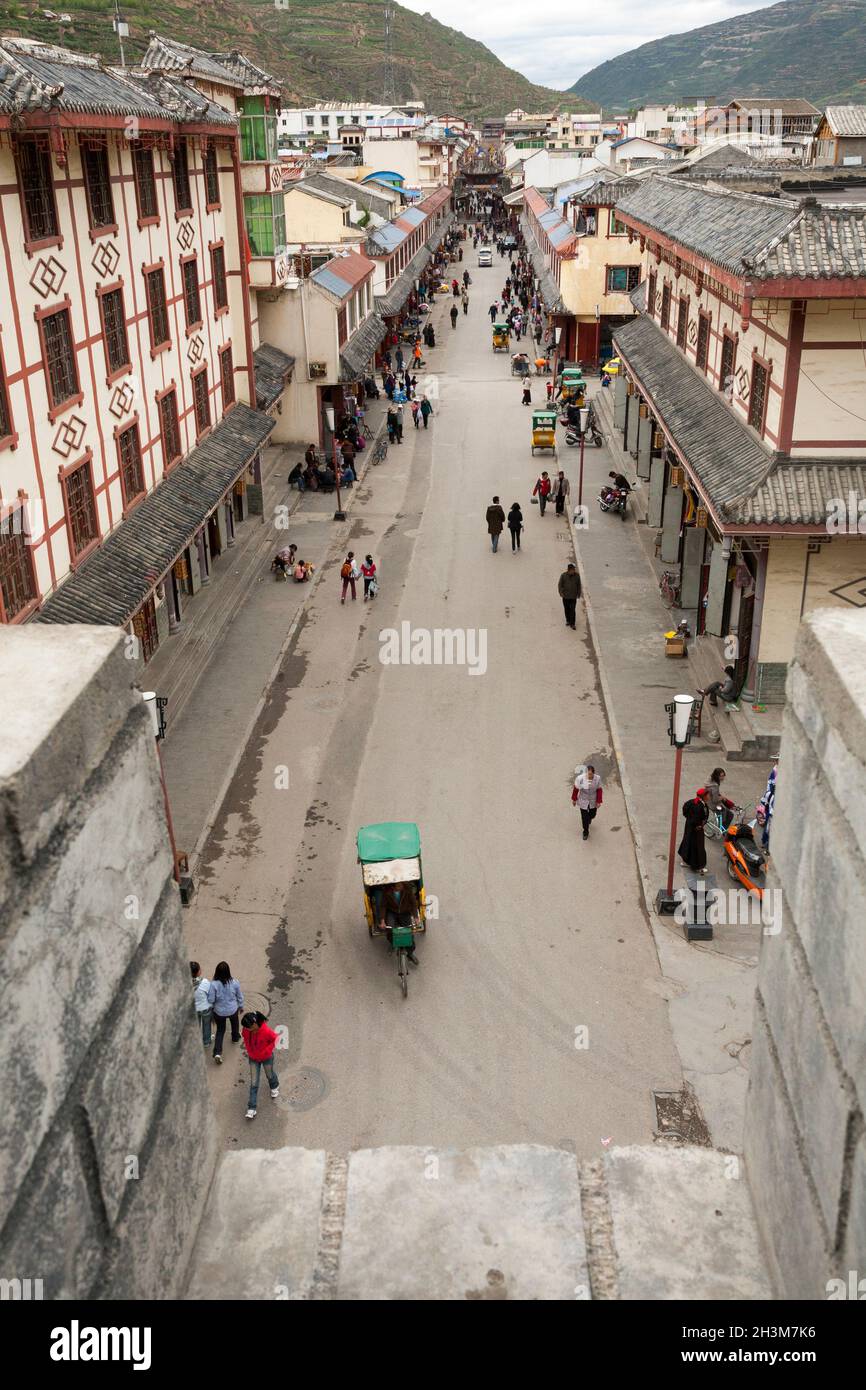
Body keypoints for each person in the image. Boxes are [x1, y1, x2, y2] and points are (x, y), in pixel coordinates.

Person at [241, 1011, 280, 1120]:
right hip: (253, 1059)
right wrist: (250, 1050)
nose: (246, 1030)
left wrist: (266, 1051)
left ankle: (274, 1086)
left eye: (248, 1028)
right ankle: (252, 1108)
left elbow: (274, 1039)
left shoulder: (266, 1031)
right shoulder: (246, 1030)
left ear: (254, 1024)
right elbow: (244, 1036)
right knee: (254, 1082)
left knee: (270, 1075)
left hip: (266, 1058)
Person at [374, 880, 420, 964]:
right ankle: (393, 943)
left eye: (401, 885)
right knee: (390, 930)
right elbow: (383, 906)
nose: (400, 887)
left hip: (405, 912)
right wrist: (382, 921)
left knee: (409, 932)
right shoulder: (386, 892)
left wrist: (416, 917)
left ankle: (410, 954)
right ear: (393, 887)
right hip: (392, 912)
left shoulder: (407, 888)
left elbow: (413, 903)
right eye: (398, 886)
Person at [207, 962, 244, 1062]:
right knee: (235, 1023)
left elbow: (210, 1000)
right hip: (232, 1010)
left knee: (220, 1031)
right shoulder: (235, 982)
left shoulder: (213, 984)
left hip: (219, 1012)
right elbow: (239, 996)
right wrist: (241, 1006)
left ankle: (217, 1053)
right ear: (228, 971)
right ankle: (235, 1037)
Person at [679, 789, 710, 874]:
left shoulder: (691, 802)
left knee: (688, 842)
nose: (709, 797)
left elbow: (685, 809)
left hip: (689, 827)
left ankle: (685, 861)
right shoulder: (699, 806)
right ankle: (697, 866)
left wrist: (689, 819)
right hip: (696, 829)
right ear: (703, 796)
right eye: (707, 795)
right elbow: (698, 817)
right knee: (698, 847)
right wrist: (698, 825)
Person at [571, 764, 603, 840]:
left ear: (593, 773)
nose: (589, 776)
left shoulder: (597, 779)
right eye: (588, 774)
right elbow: (576, 789)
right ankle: (585, 832)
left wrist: (598, 801)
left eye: (591, 774)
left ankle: (590, 818)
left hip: (593, 799)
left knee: (592, 814)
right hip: (583, 799)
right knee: (584, 818)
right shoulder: (580, 778)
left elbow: (599, 790)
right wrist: (574, 799)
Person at [190, 961, 212, 1048]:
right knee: (206, 1025)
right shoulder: (205, 982)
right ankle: (206, 1042)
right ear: (199, 971)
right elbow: (210, 994)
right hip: (205, 1008)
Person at [758, 758, 778, 851]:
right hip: (771, 802)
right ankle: (766, 843)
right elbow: (769, 786)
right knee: (769, 825)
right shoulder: (775, 771)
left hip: (773, 803)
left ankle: (767, 843)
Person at [558, 562, 581, 629]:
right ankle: (568, 620)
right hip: (565, 596)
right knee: (567, 609)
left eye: (574, 570)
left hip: (573, 597)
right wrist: (561, 593)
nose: (573, 571)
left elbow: (579, 585)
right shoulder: (563, 575)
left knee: (573, 610)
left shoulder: (577, 576)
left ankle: (572, 623)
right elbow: (560, 585)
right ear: (569, 570)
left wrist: (578, 593)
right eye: (572, 570)